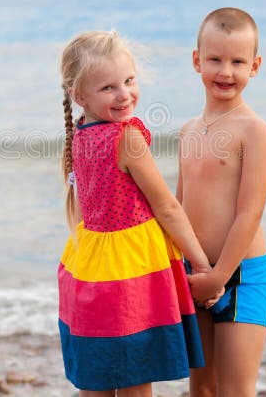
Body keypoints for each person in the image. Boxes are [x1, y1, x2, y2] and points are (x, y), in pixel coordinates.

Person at [57, 30, 222, 396]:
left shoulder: (79, 133)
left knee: (96, 377)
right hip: (131, 271)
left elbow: (87, 208)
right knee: (136, 376)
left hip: (89, 267)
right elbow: (167, 207)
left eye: (129, 81)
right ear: (78, 94)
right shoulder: (126, 138)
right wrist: (201, 263)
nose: (124, 94)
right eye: (108, 88)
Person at [180, 8, 266, 397]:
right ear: (196, 61)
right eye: (216, 59)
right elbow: (178, 206)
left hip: (241, 276)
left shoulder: (253, 130)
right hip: (194, 272)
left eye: (238, 62)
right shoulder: (188, 130)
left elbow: (250, 212)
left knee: (235, 390)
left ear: (254, 66)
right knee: (202, 388)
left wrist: (219, 278)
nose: (226, 71)